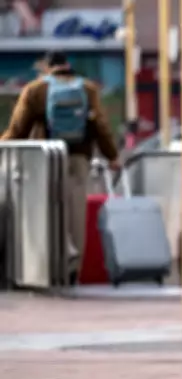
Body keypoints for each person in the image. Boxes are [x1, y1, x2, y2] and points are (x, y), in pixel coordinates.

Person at [1, 50, 120, 284]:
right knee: (76, 213)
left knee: (45, 211)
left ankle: (49, 265)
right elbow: (101, 127)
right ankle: (72, 269)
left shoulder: (36, 90)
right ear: (68, 65)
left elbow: (17, 130)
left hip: (46, 160)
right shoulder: (88, 89)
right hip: (79, 159)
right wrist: (112, 156)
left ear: (47, 67)